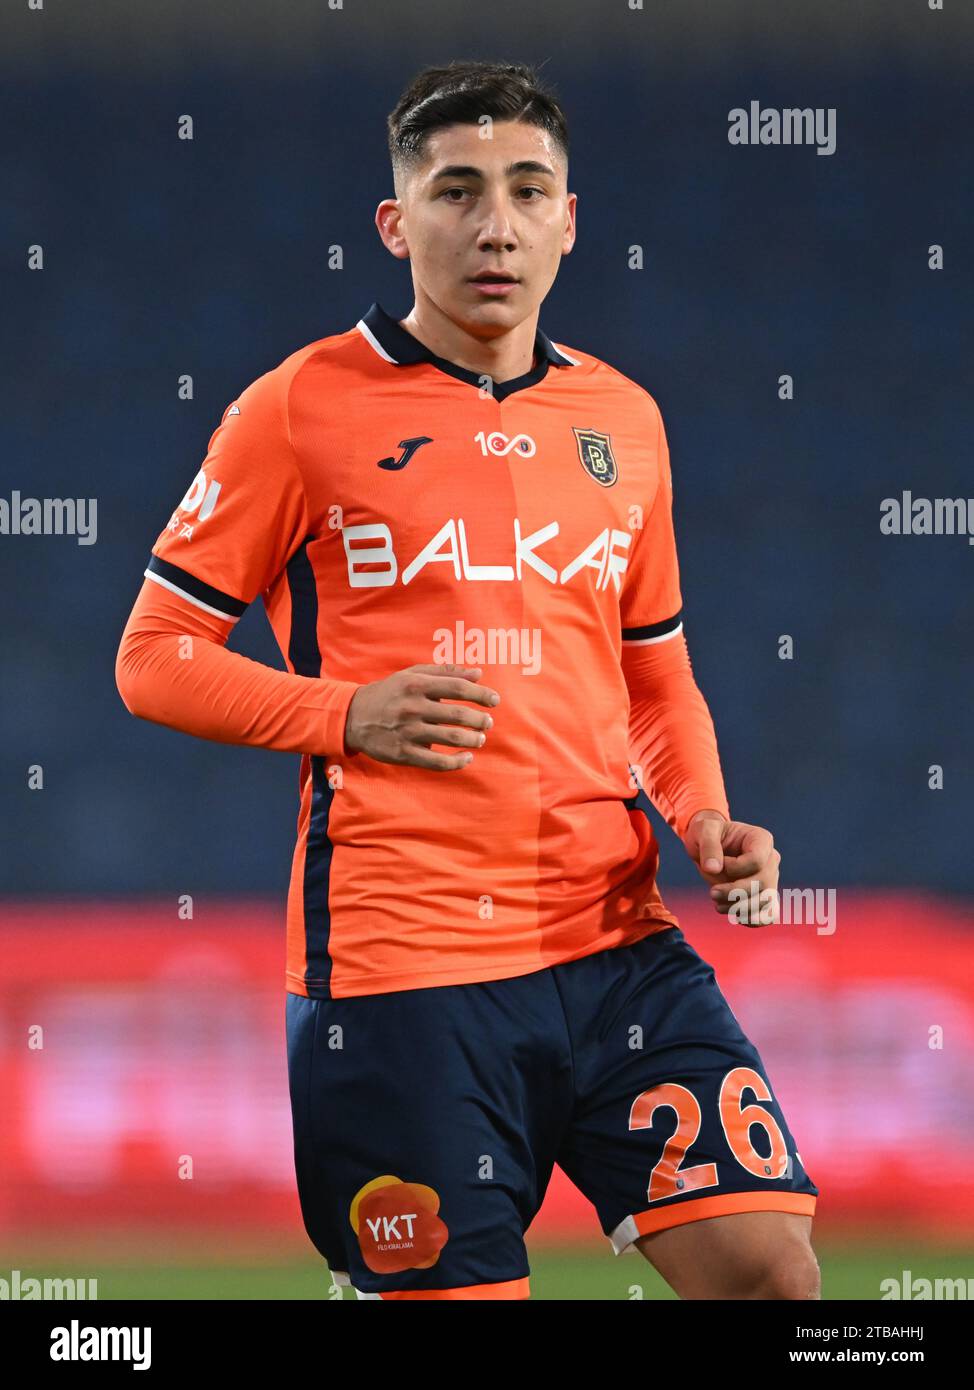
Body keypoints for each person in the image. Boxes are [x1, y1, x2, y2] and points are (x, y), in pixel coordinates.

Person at [115, 58, 819, 1301]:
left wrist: (701, 817)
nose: (493, 224)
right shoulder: (296, 409)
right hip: (404, 975)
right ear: (396, 225)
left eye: (525, 189)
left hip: (618, 950)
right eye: (455, 192)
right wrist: (344, 714)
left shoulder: (625, 421)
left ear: (568, 218)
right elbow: (153, 658)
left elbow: (653, 681)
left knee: (771, 1277)